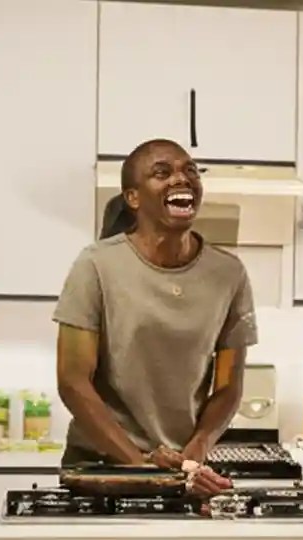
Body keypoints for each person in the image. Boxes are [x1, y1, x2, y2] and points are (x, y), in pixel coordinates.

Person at [54, 139, 254, 495]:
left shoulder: (229, 274)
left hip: (180, 469)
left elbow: (227, 386)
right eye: (162, 173)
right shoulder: (96, 265)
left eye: (190, 170)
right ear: (133, 198)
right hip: (102, 467)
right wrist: (138, 465)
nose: (182, 178)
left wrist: (197, 450)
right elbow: (73, 380)